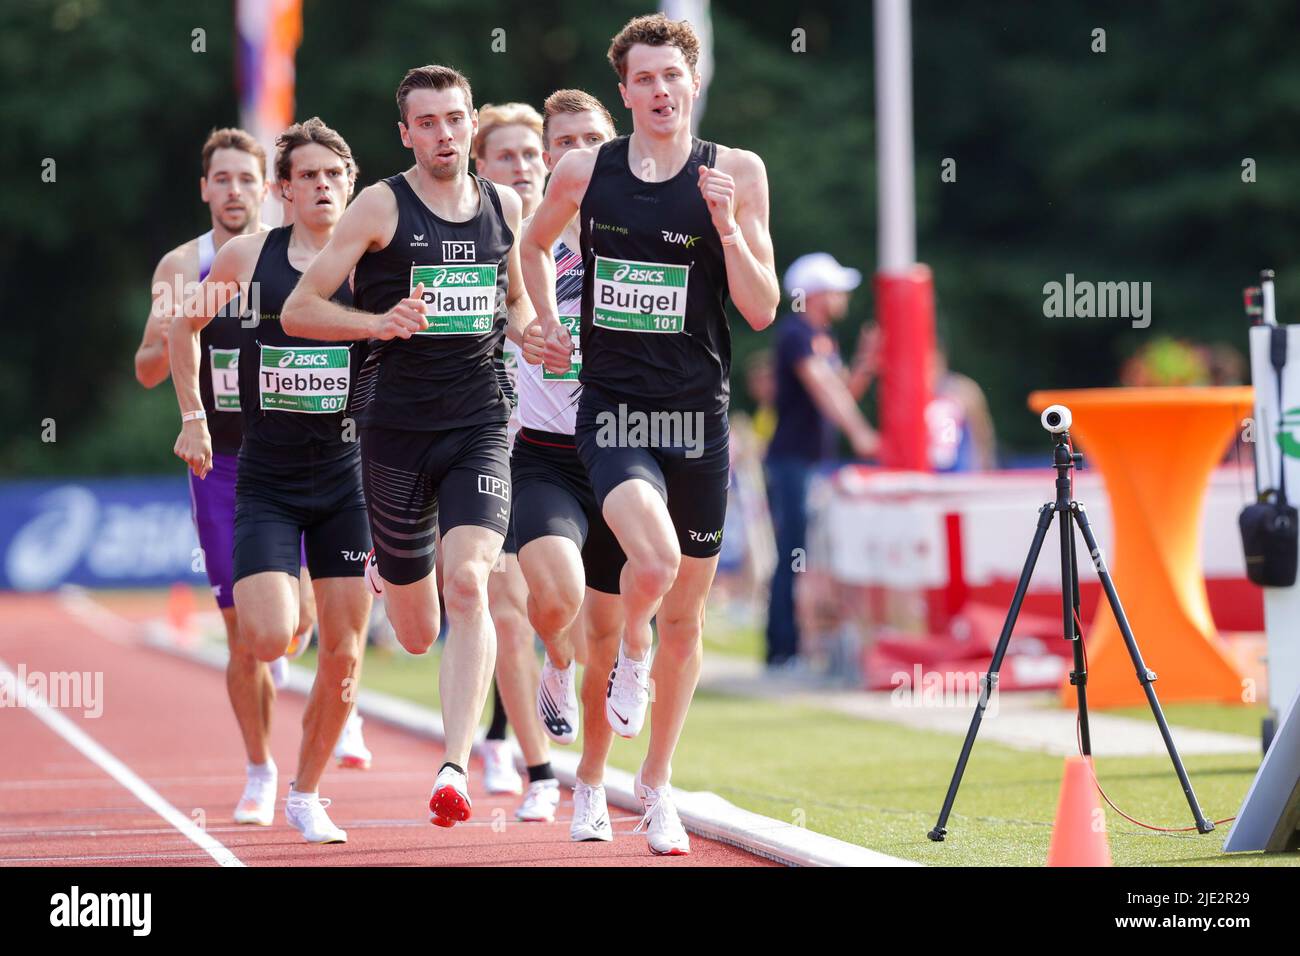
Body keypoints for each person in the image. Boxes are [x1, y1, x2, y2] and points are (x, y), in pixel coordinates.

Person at [523, 14, 779, 854]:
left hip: (697, 415)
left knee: (688, 624)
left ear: (693, 82)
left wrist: (730, 228)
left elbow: (762, 306)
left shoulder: (735, 171)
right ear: (624, 90)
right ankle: (593, 767)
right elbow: (531, 249)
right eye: (643, 79)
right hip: (616, 408)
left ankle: (655, 785)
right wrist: (542, 320)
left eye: (673, 77)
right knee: (652, 570)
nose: (660, 91)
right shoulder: (584, 170)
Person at [282, 64, 536, 828]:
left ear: (471, 124)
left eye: (455, 120)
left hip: (481, 425)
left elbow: (516, 298)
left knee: (471, 583)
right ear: (406, 134)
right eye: (427, 123)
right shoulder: (379, 207)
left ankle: (454, 765)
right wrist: (378, 322)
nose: (444, 135)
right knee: (420, 635)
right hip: (394, 433)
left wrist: (540, 337)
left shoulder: (505, 205)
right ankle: (393, 575)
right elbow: (300, 309)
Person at [172, 118, 372, 843]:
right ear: (283, 190)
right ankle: (290, 623)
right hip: (266, 477)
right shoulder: (248, 256)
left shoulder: (375, 260)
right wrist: (194, 415)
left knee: (347, 651)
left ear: (348, 183)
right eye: (307, 176)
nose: (322, 185)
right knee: (264, 638)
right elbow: (181, 326)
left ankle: (306, 791)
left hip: (348, 480)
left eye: (333, 174)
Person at [134, 128, 318, 823]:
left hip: (297, 450)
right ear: (205, 188)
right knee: (243, 635)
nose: (235, 191)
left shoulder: (292, 252)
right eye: (224, 180)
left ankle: (289, 641)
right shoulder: (182, 266)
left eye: (248, 179)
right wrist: (172, 327)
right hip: (223, 461)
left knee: (296, 623)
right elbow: (148, 366)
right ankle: (260, 769)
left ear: (266, 188)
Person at [511, 88, 626, 840]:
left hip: (622, 448)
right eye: (566, 140)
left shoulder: (641, 227)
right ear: (550, 154)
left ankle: (590, 784)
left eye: (592, 136)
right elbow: (514, 310)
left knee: (612, 643)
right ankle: (553, 656)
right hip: (544, 455)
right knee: (557, 600)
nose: (579, 148)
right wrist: (532, 333)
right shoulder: (520, 233)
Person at [470, 101, 560, 817]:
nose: (524, 169)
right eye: (507, 157)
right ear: (481, 168)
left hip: (576, 450)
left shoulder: (589, 232)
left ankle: (512, 723)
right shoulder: (467, 241)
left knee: (561, 611)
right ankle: (538, 770)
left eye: (534, 155)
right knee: (506, 609)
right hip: (494, 444)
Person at [764, 252, 879, 668]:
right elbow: (826, 392)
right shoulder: (796, 333)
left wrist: (865, 367)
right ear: (815, 294)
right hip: (792, 460)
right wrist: (862, 433)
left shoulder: (820, 338)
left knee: (805, 552)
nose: (842, 297)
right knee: (792, 551)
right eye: (835, 289)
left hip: (810, 460)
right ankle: (782, 649)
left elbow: (839, 391)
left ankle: (795, 646)